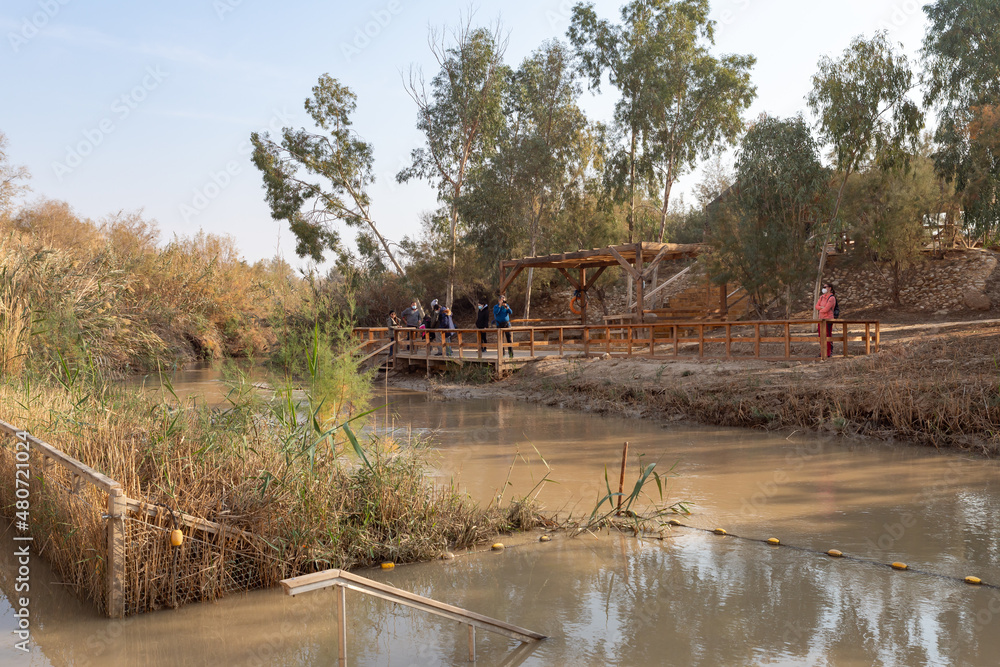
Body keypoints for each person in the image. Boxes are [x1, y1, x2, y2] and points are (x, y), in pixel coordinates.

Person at [815, 282, 837, 358]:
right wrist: (821, 308)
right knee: (821, 336)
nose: (823, 288)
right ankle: (822, 351)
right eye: (823, 287)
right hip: (821, 319)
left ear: (829, 288)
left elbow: (827, 309)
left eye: (825, 287)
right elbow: (816, 306)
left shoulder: (832, 298)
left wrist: (821, 309)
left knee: (827, 335)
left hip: (828, 319)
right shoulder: (821, 297)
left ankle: (828, 352)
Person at [493, 294, 513, 359]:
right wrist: (499, 306)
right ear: (499, 300)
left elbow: (510, 312)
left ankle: (511, 354)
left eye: (504, 300)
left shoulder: (506, 306)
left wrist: (507, 307)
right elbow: (496, 312)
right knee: (501, 340)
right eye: (501, 300)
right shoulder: (496, 306)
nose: (503, 301)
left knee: (509, 339)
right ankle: (502, 354)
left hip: (507, 325)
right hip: (499, 325)